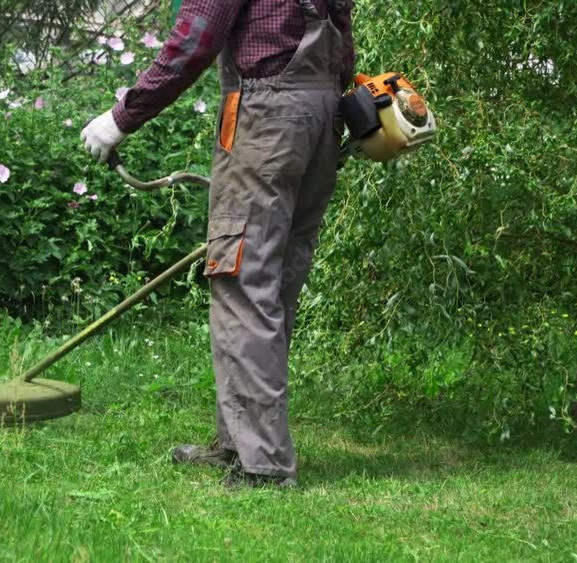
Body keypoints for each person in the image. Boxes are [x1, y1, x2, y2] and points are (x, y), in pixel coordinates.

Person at [81, 0, 355, 489]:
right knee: (273, 285)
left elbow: (194, 41)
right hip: (323, 116)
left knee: (244, 280)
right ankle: (240, 443)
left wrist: (122, 118)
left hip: (268, 116)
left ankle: (264, 467)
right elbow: (343, 39)